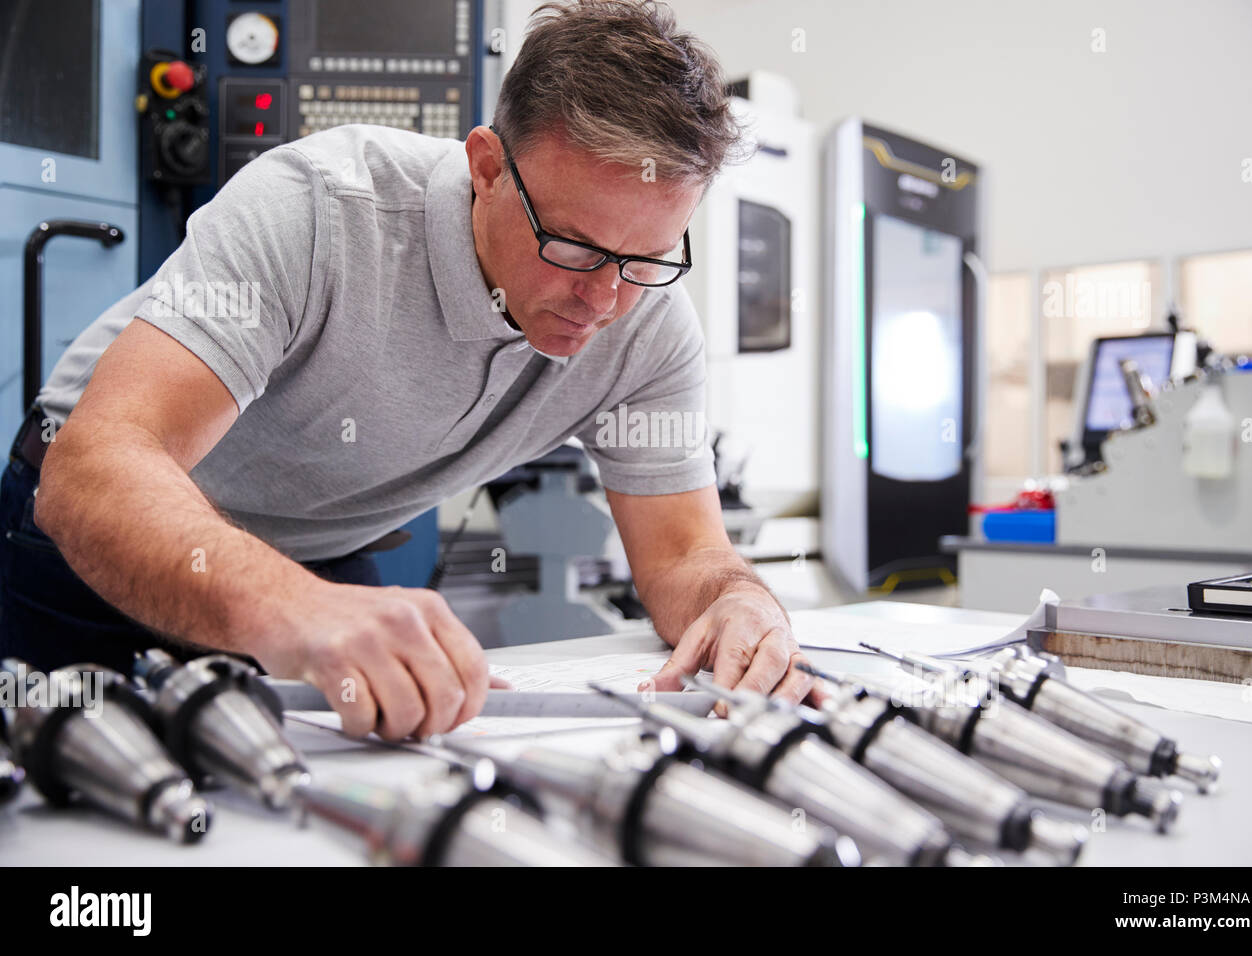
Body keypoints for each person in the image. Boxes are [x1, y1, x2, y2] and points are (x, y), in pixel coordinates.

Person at [0, 0, 819, 740]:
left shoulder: (651, 324)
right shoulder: (319, 210)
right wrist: (296, 611)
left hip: (313, 563)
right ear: (487, 167)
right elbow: (97, 468)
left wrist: (737, 601)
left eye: (644, 258)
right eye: (574, 246)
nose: (604, 299)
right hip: (95, 540)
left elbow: (684, 557)